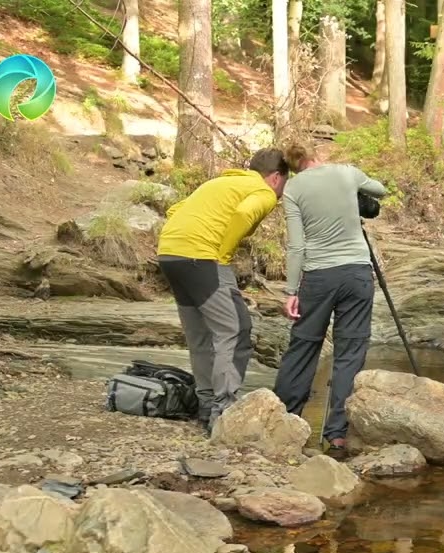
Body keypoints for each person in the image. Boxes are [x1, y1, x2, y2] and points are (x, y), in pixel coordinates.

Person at [156, 148, 289, 432]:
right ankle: (224, 408)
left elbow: (175, 210)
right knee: (235, 329)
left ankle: (205, 405)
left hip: (169, 253)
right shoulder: (263, 192)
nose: (280, 195)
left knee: (200, 334)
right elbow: (244, 213)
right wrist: (224, 253)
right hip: (202, 257)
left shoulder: (220, 183)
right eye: (284, 185)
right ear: (276, 177)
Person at [272, 143, 388, 459]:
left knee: (304, 346)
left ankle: (285, 419)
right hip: (356, 273)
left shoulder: (293, 189)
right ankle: (336, 436)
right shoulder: (345, 172)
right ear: (316, 156)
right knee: (350, 352)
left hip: (318, 277)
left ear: (293, 167)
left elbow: (297, 247)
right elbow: (380, 191)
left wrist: (291, 291)